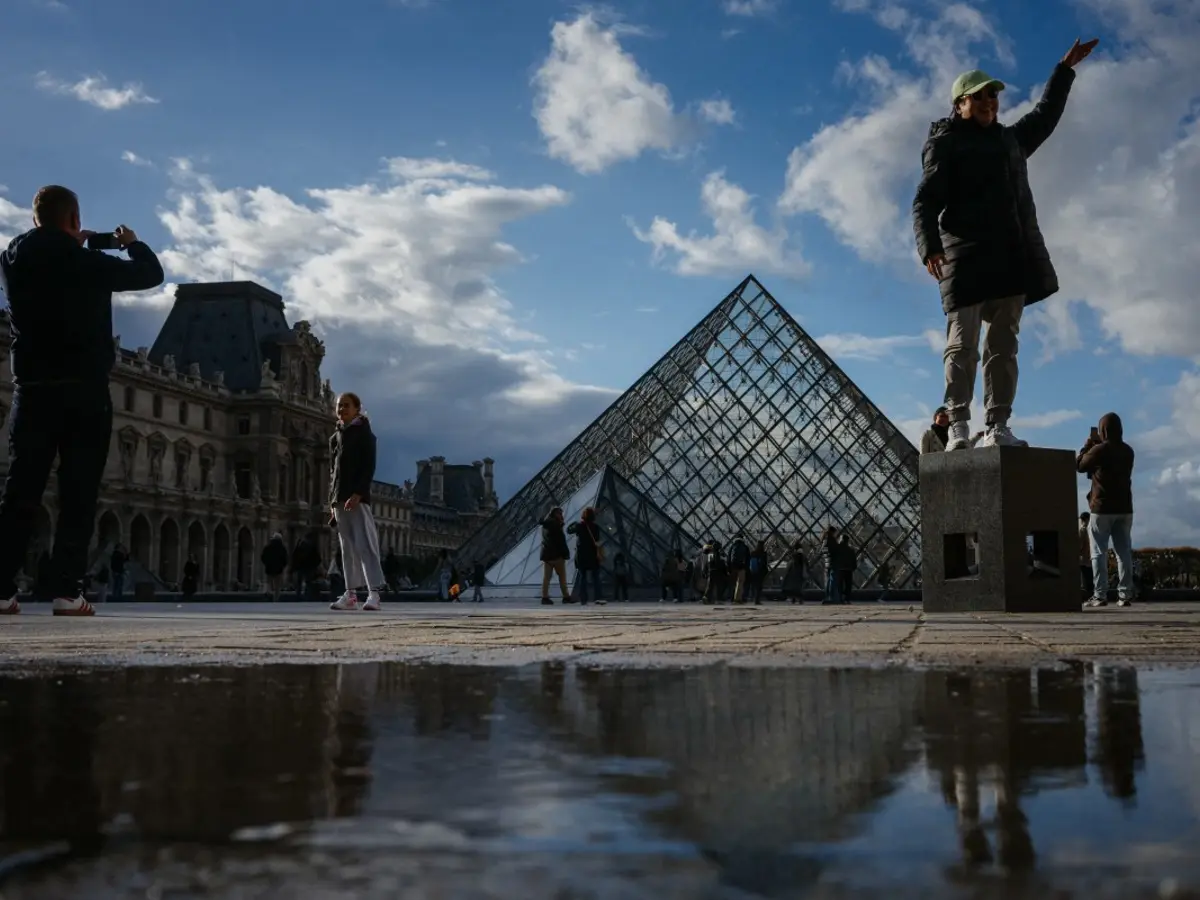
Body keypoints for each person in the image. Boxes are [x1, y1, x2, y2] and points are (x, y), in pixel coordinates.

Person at [913, 39, 1099, 451]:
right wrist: (929, 246)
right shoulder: (945, 144)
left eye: (993, 96)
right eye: (979, 97)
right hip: (963, 258)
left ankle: (997, 425)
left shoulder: (1009, 142)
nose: (989, 102)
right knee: (962, 345)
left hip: (1009, 260)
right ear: (960, 103)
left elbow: (1045, 116)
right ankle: (958, 424)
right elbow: (925, 200)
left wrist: (1064, 69)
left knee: (1004, 348)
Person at [0, 186, 164, 616]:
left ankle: (1, 589)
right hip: (83, 390)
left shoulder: (11, 258)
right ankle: (67, 592)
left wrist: (61, 238)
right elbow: (151, 274)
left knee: (20, 491)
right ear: (75, 219)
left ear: (36, 218)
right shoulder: (87, 262)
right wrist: (130, 244)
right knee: (78, 493)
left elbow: (40, 248)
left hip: (31, 389)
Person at [327, 392, 387, 612]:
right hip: (339, 499)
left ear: (357, 409)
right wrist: (332, 503)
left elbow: (368, 466)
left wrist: (358, 494)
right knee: (347, 549)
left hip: (357, 498)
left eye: (346, 406)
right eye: (339, 406)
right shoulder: (335, 437)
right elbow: (333, 473)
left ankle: (374, 593)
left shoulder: (364, 434)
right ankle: (350, 594)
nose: (341, 409)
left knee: (365, 545)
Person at [1077, 413, 1135, 608]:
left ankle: (1100, 595)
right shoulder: (1128, 451)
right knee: (1123, 552)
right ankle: (1125, 595)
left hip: (1102, 508)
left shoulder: (1099, 449)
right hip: (1125, 508)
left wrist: (1088, 445)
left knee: (1098, 552)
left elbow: (1079, 465)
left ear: (1103, 430)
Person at [568, 507, 605, 606]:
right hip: (593, 555)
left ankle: (583, 599)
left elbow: (568, 530)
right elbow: (597, 539)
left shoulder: (579, 526)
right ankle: (598, 597)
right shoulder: (596, 527)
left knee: (583, 577)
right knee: (596, 577)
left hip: (582, 556)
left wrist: (575, 523)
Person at [540, 506, 572, 606]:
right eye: (560, 514)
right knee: (562, 577)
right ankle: (566, 597)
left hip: (547, 556)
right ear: (555, 514)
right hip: (557, 556)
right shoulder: (555, 525)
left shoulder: (545, 525)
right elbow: (561, 542)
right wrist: (565, 554)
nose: (562, 516)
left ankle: (545, 597)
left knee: (546, 579)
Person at [261, 532, 288, 602]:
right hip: (279, 569)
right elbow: (285, 559)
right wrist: (282, 566)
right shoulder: (282, 548)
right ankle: (276, 599)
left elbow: (263, 557)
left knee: (268, 583)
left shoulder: (267, 547)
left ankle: (267, 595)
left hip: (269, 568)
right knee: (277, 586)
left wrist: (267, 564)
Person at [727, 536, 750, 604]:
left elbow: (728, 558)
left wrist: (729, 568)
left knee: (732, 583)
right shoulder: (745, 547)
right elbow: (748, 559)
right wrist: (746, 568)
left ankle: (731, 597)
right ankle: (737, 598)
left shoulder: (732, 546)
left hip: (733, 567)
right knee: (740, 583)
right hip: (742, 567)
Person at [821, 526, 841, 605]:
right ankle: (832, 597)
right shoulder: (831, 540)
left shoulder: (824, 540)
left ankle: (828, 596)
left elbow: (823, 552)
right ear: (833, 532)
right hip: (833, 562)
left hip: (827, 563)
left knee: (828, 581)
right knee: (832, 581)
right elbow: (836, 551)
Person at [1078, 512, 1093, 599]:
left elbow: (1079, 546)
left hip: (1084, 561)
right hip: (1088, 561)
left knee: (1086, 583)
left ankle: (1087, 598)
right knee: (1088, 583)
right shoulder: (1087, 530)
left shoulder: (1083, 530)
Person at [747, 540, 768, 605]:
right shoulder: (764, 553)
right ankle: (757, 600)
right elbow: (764, 563)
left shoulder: (753, 553)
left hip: (753, 571)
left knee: (753, 585)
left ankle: (752, 598)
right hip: (760, 572)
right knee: (759, 587)